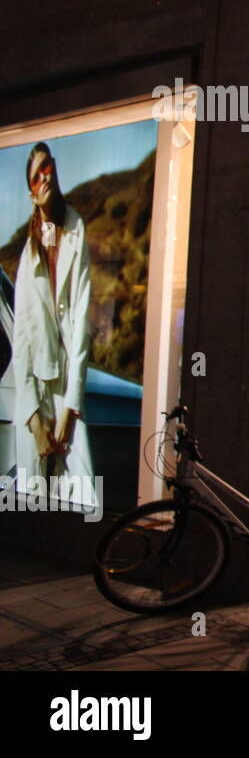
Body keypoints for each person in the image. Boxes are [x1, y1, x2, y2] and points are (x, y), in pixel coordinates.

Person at [13, 142, 97, 509]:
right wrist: (34, 422)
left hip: (67, 389)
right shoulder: (32, 247)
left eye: (46, 169)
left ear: (56, 169)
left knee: (83, 497)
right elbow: (22, 338)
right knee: (34, 502)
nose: (43, 178)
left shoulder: (75, 230)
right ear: (30, 191)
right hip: (38, 393)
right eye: (36, 176)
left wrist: (71, 408)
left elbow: (81, 319)